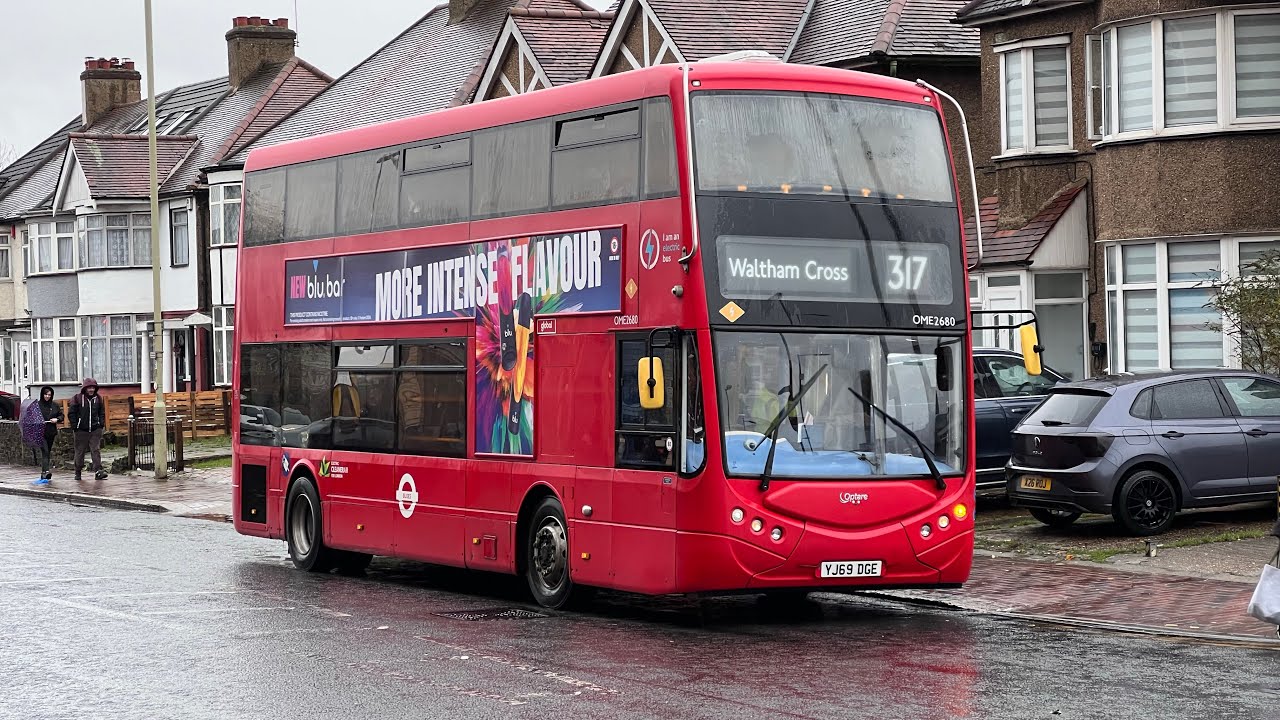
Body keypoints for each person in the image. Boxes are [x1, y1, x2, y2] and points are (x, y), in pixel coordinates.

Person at [68, 377, 106, 481]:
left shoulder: (98, 398)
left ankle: (98, 471)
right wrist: (75, 426)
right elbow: (71, 413)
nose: (91, 390)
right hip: (81, 430)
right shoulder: (77, 398)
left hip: (95, 429)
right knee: (80, 451)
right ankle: (78, 472)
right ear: (85, 388)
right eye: (89, 388)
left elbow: (101, 412)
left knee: (96, 450)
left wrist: (100, 424)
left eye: (93, 388)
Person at [36, 386, 63, 480]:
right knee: (45, 451)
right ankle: (45, 471)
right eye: (46, 394)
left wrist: (57, 419)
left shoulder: (54, 405)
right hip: (40, 432)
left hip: (51, 432)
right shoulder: (37, 405)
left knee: (48, 451)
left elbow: (61, 415)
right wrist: (38, 421)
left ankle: (45, 472)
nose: (47, 396)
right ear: (42, 394)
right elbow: (32, 417)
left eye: (49, 395)